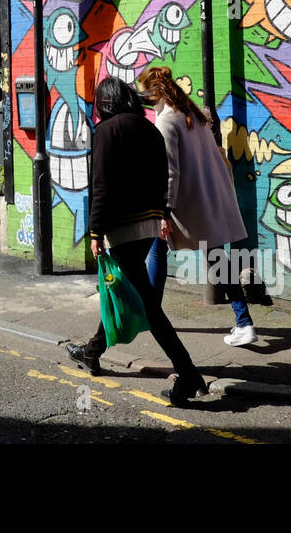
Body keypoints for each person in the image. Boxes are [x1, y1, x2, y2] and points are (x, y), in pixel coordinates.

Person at [65, 77, 209, 405]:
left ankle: (188, 375)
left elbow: (101, 185)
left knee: (148, 306)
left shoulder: (106, 131)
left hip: (123, 229)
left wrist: (94, 232)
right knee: (124, 288)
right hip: (147, 228)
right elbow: (162, 177)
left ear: (105, 102)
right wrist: (160, 214)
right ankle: (92, 350)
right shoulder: (149, 129)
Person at [136, 65, 258, 346]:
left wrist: (164, 210)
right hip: (208, 198)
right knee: (217, 258)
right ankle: (244, 321)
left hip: (184, 202)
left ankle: (151, 317)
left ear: (156, 92)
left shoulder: (166, 121)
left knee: (157, 250)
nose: (143, 99)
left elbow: (170, 171)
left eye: (145, 94)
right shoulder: (191, 114)